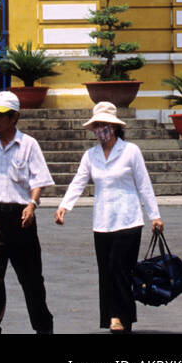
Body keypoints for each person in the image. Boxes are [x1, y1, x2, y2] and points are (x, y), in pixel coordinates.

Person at [55, 101, 163, 334]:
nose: (99, 130)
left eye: (104, 125)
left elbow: (144, 184)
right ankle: (120, 317)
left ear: (113, 127)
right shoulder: (90, 155)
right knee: (107, 271)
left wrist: (154, 215)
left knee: (120, 269)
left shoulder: (131, 151)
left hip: (129, 220)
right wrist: (64, 206)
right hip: (102, 222)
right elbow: (79, 181)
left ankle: (119, 316)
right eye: (96, 126)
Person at [0, 91, 55, 335]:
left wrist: (33, 204)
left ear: (14, 117)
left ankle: (43, 328)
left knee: (31, 280)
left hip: (21, 218)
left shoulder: (29, 145)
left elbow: (38, 179)